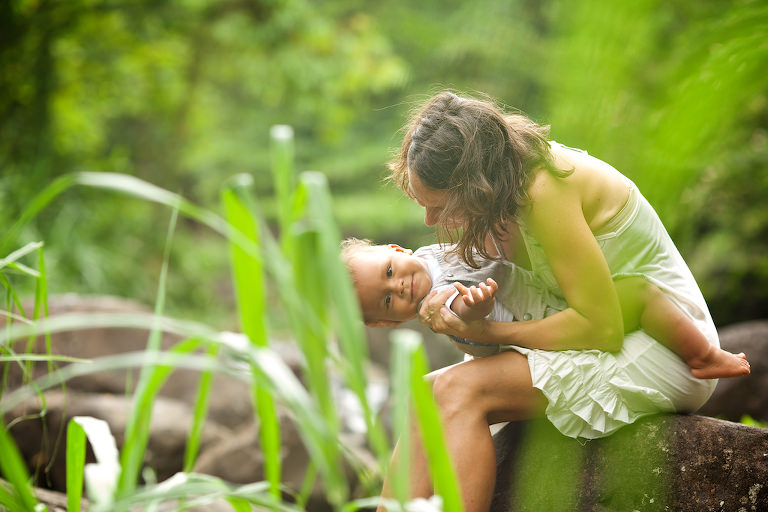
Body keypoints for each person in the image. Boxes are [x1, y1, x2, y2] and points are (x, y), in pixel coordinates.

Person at [375, 90, 748, 512]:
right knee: (427, 394)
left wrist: (487, 331)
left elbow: (600, 329)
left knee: (462, 391)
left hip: (663, 341)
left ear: (471, 184)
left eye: (440, 205)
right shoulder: (503, 188)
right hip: (600, 330)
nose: (430, 221)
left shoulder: (544, 190)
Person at [341, 237, 750, 377]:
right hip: (540, 323)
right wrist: (474, 307)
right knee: (639, 295)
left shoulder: (433, 252)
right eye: (388, 299)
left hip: (546, 295)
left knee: (630, 293)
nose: (400, 286)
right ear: (388, 323)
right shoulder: (435, 306)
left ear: (396, 249)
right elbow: (460, 311)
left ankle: (693, 349)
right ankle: (703, 356)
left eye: (390, 271)